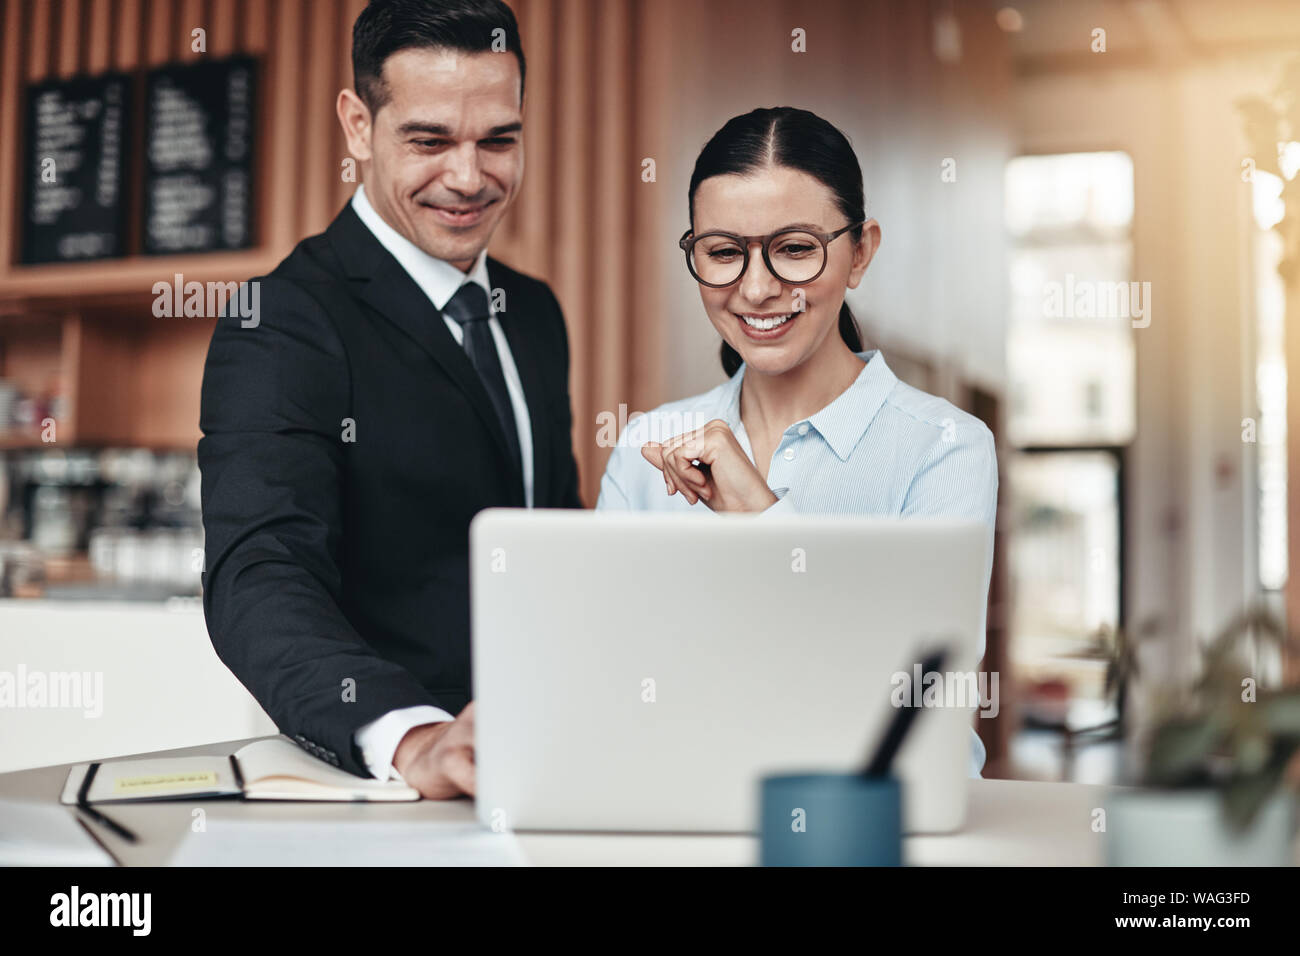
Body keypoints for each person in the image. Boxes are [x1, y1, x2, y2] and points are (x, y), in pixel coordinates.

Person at [199, 0, 581, 800]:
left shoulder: (535, 312)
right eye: (430, 140)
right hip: (389, 792)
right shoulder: (283, 320)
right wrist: (413, 737)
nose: (470, 178)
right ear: (358, 125)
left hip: (544, 767)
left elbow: (550, 538)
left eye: (499, 140)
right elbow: (261, 573)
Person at [596, 107, 997, 776]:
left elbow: (917, 705)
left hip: (885, 826)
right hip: (683, 813)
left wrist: (761, 517)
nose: (755, 289)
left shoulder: (945, 448)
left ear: (860, 252)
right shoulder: (647, 447)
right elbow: (612, 682)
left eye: (794, 248)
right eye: (724, 252)